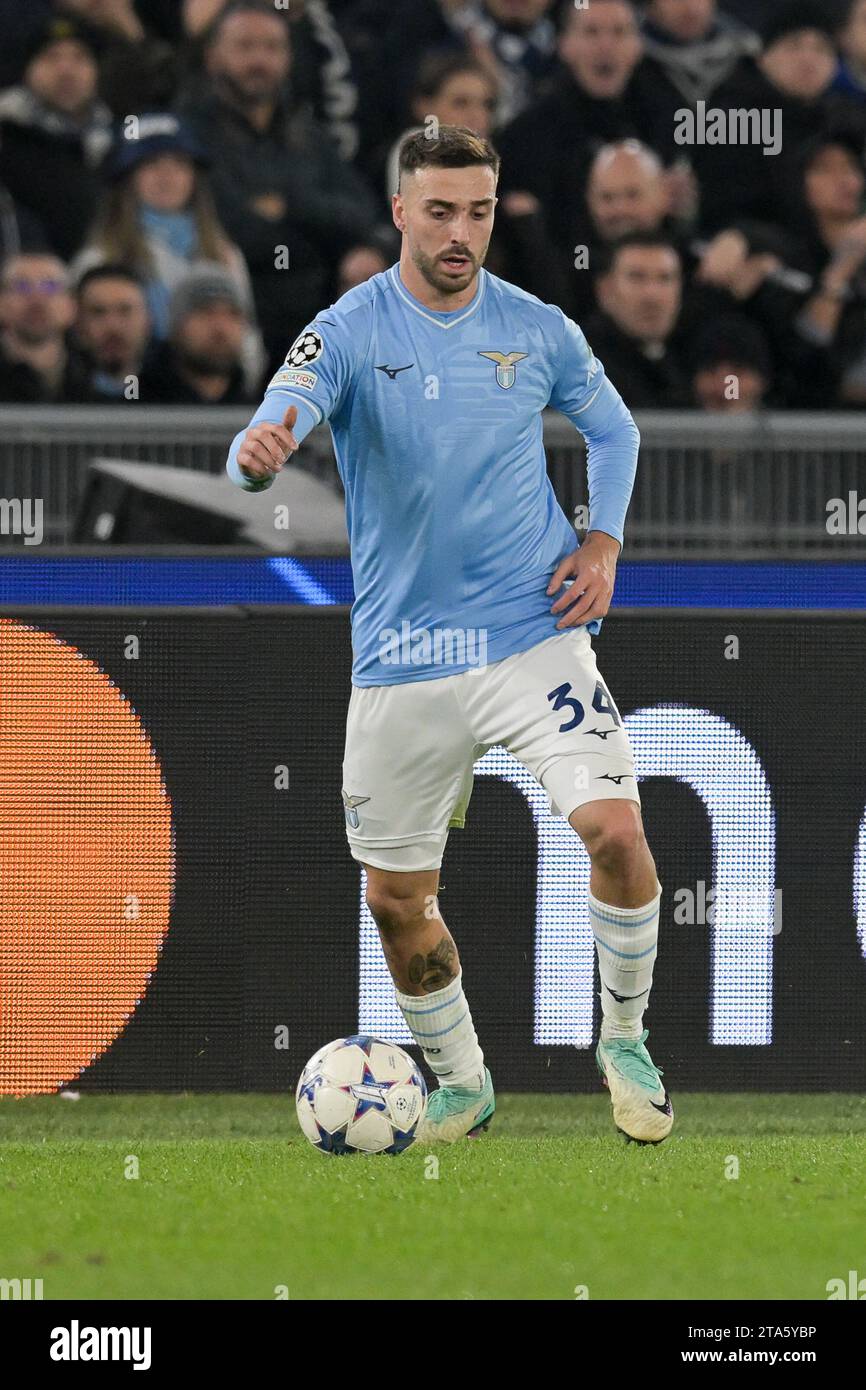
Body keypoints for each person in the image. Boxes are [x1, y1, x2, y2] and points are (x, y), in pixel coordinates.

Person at [226, 126, 673, 1147]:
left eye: (476, 211)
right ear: (398, 213)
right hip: (402, 658)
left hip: (531, 631)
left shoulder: (537, 328)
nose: (460, 231)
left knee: (614, 831)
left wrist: (599, 542)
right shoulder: (345, 327)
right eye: (439, 210)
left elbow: (615, 429)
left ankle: (622, 1038)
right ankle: (463, 1083)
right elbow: (284, 410)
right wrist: (263, 450)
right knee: (394, 899)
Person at [177, 0, 380, 367]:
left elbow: (362, 214)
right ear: (212, 57)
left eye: (272, 47)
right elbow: (235, 228)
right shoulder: (191, 132)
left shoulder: (305, 132)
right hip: (240, 302)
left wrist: (290, 207)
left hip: (317, 304)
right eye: (245, 47)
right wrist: (319, 236)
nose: (260, 60)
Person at [73, 112, 264, 391]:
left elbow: (247, 337)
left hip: (208, 398)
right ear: (127, 179)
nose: (167, 175)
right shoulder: (98, 258)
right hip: (127, 399)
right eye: (151, 164)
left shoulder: (225, 254)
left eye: (179, 164)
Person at [0, 17, 113, 260]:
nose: (66, 70)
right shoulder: (6, 136)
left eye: (79, 58)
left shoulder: (116, 139)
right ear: (27, 70)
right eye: (51, 57)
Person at [584, 232, 691, 408]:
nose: (652, 295)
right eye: (636, 277)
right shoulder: (579, 368)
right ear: (605, 290)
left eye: (665, 278)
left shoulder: (689, 358)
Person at [141, 264, 253, 403]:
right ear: (177, 324)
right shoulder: (139, 409)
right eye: (206, 312)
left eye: (233, 314)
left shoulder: (260, 411)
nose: (220, 327)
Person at [67, 263, 153, 402]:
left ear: (148, 321)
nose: (113, 326)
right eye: (98, 312)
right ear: (78, 324)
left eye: (125, 311)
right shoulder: (57, 391)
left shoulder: (176, 392)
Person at [0, 250, 77, 401]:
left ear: (70, 305)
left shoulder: (92, 376)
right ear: (2, 303)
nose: (37, 299)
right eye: (22, 287)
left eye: (50, 287)